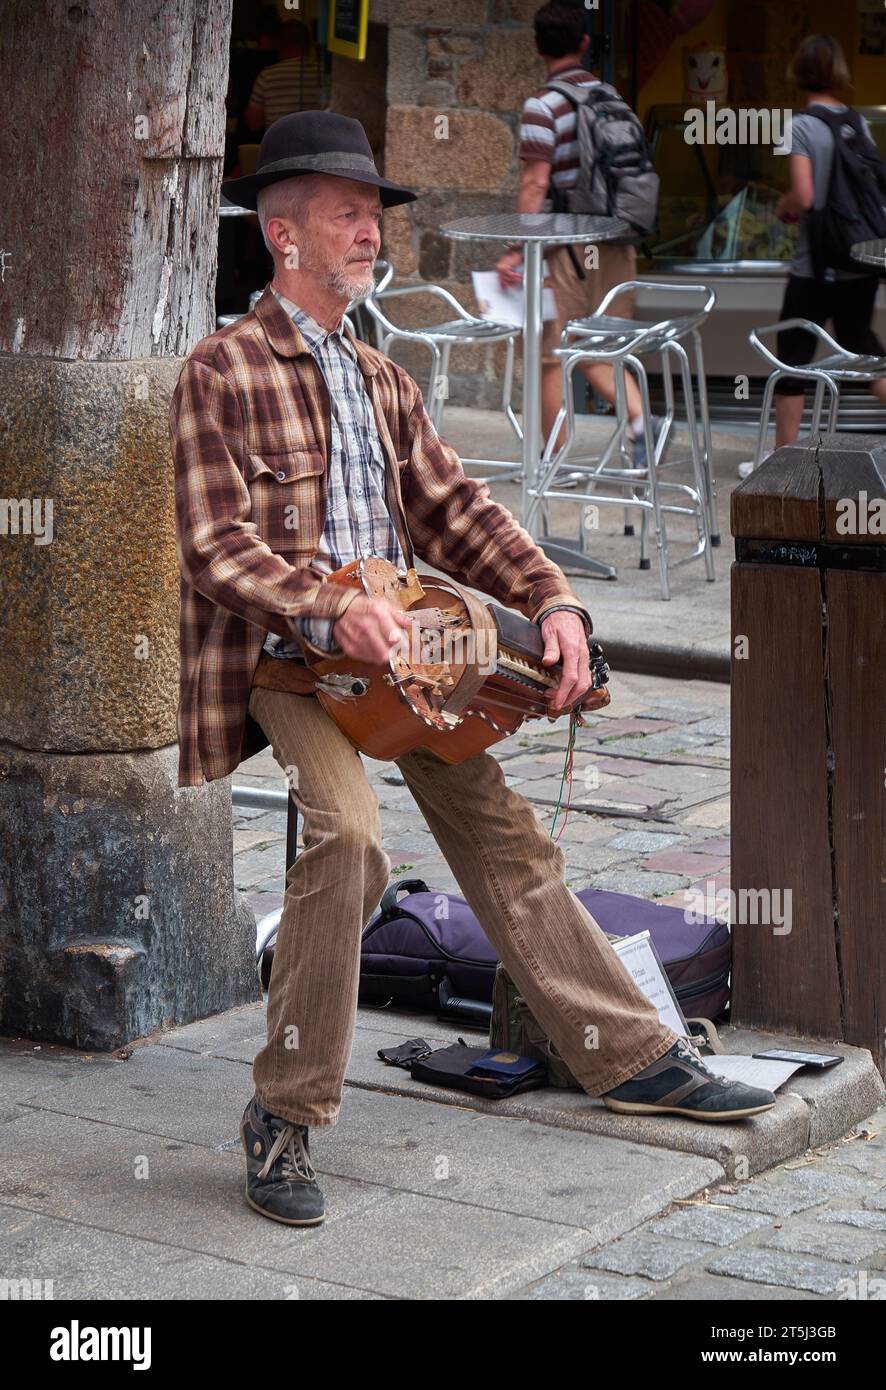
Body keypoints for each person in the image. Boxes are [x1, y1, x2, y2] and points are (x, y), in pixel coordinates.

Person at [170, 111, 776, 1228]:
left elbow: (459, 514)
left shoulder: (379, 376)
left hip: (407, 663)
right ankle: (286, 1114)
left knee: (506, 836)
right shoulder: (220, 370)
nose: (370, 232)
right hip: (288, 665)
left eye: (372, 215)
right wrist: (331, 605)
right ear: (282, 235)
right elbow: (214, 550)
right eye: (348, 214)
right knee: (349, 839)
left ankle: (630, 1053)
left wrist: (553, 600)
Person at [497, 0, 662, 467]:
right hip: (615, 241)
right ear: (586, 44)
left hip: (565, 249)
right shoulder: (613, 98)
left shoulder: (542, 106)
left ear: (536, 47)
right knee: (600, 346)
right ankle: (639, 421)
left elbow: (535, 182)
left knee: (551, 356)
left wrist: (516, 248)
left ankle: (552, 463)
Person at [740, 33, 886, 477]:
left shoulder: (800, 125)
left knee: (793, 355)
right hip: (860, 259)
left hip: (816, 265)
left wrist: (783, 205)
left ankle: (782, 460)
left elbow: (805, 195)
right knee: (861, 342)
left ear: (798, 72)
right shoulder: (857, 123)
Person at [244, 19, 325, 135]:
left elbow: (253, 123)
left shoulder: (267, 76)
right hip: (318, 146)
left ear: (279, 44)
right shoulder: (323, 73)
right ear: (309, 44)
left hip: (279, 148)